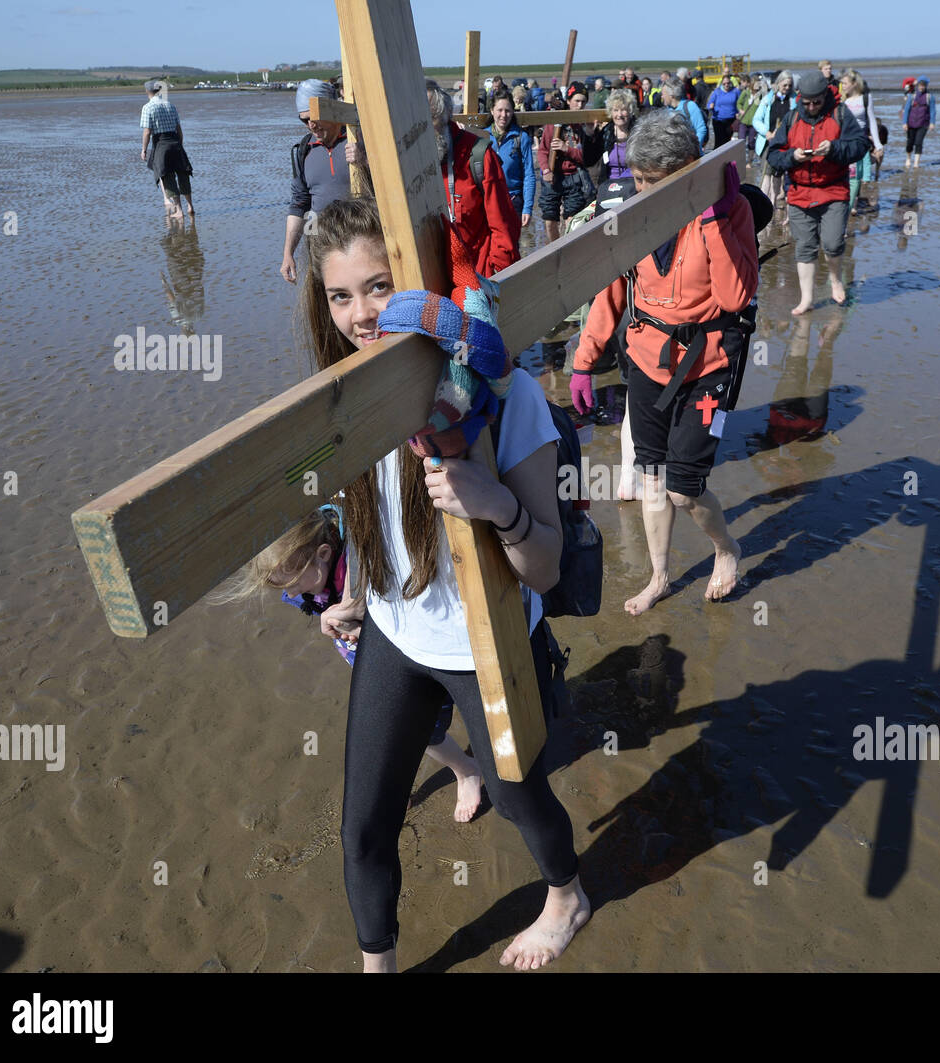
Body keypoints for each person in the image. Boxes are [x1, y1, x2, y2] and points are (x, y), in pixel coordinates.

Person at [300, 196, 586, 972]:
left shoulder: (505, 398)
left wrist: (495, 504)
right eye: (341, 294)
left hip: (484, 638)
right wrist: (353, 594)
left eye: (380, 286)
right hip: (395, 633)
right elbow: (372, 517)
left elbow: (547, 567)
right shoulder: (343, 400)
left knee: (522, 797)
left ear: (417, 284)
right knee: (362, 825)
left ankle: (567, 894)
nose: (364, 313)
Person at [570, 110, 758, 612]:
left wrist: (714, 215)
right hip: (647, 361)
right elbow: (610, 292)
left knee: (684, 488)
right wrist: (584, 361)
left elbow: (737, 296)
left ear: (684, 173)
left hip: (709, 368)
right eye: (637, 177)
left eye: (653, 181)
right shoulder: (633, 216)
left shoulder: (730, 210)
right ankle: (659, 576)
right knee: (651, 476)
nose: (642, 189)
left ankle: (726, 549)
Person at [228, 506, 486, 823]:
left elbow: (395, 609)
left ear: (323, 553)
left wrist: (360, 626)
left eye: (292, 584)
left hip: (416, 662)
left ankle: (467, 770)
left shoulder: (359, 567)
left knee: (427, 731)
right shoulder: (312, 581)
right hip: (374, 670)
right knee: (398, 729)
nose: (291, 594)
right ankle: (405, 777)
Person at [766, 70, 868, 312]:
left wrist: (833, 148)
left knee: (832, 243)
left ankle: (835, 281)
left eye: (817, 103)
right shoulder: (792, 118)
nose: (811, 107)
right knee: (805, 246)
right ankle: (807, 299)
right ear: (800, 98)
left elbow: (860, 145)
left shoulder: (840, 114)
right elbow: (773, 155)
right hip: (800, 193)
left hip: (833, 190)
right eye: (807, 102)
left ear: (825, 96)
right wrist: (793, 156)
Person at [424, 82, 519, 276]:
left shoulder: (478, 157)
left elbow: (503, 227)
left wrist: (497, 284)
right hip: (429, 283)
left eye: (428, 119)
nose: (421, 129)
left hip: (476, 278)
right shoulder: (409, 158)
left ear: (443, 116)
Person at [283, 79, 369, 284]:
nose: (310, 125)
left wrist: (365, 160)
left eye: (315, 118)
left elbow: (392, 184)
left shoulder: (359, 139)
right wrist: (288, 254)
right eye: (304, 120)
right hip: (319, 243)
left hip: (361, 242)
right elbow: (299, 204)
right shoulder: (303, 150)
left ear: (333, 110)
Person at [538, 86, 594, 243]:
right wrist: (545, 170)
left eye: (583, 102)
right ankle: (554, 250)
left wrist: (566, 149)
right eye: (576, 101)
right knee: (550, 221)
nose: (580, 105)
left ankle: (568, 249)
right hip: (553, 176)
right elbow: (542, 150)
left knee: (572, 221)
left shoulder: (584, 127)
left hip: (575, 177)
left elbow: (587, 158)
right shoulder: (554, 123)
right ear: (569, 101)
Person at [139, 80, 194, 220]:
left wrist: (144, 149)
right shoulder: (170, 105)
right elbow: (179, 129)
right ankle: (190, 207)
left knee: (167, 176)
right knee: (183, 174)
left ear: (147, 91)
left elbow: (147, 132)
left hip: (162, 144)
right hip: (175, 142)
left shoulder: (148, 107)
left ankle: (179, 210)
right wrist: (180, 144)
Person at [487, 92, 536, 228]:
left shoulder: (521, 137)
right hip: (487, 202)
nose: (504, 115)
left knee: (511, 246)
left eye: (508, 111)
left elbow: (529, 175)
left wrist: (527, 207)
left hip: (513, 202)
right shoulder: (482, 137)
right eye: (500, 110)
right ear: (492, 111)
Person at [838, 69, 883, 213]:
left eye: (845, 83)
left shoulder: (865, 98)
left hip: (859, 143)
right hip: (844, 143)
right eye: (842, 83)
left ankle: (849, 208)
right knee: (844, 178)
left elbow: (871, 120)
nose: (843, 86)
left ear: (854, 83)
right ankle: (842, 208)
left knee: (855, 178)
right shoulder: (841, 99)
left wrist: (877, 144)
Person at [752, 71, 796, 204]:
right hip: (768, 142)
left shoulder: (794, 100)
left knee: (778, 174)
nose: (787, 88)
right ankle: (764, 202)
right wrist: (767, 133)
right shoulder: (768, 99)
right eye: (785, 85)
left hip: (785, 143)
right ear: (778, 84)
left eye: (790, 85)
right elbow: (756, 120)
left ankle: (773, 202)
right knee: (767, 174)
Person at [597, 88, 638, 183]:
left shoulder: (638, 132)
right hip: (609, 186)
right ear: (611, 112)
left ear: (630, 111)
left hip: (632, 185)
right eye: (616, 110)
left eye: (623, 110)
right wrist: (589, 133)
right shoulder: (606, 132)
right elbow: (590, 160)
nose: (619, 114)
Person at [661, 78, 708, 151]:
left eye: (663, 94)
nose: (662, 97)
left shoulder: (690, 106)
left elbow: (701, 129)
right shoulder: (667, 110)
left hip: (692, 155)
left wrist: (694, 149)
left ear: (671, 95)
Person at [901, 76, 936, 168]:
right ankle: (908, 158)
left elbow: (932, 110)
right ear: (917, 85)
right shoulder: (911, 96)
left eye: (923, 85)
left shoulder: (930, 97)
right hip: (911, 123)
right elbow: (907, 109)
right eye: (920, 85)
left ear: (926, 86)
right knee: (910, 143)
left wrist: (932, 122)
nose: (921, 87)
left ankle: (916, 163)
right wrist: (904, 123)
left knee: (919, 142)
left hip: (923, 123)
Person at [707, 73, 742, 147]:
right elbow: (709, 104)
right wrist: (710, 106)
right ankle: (718, 158)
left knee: (728, 142)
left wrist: (739, 112)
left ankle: (728, 158)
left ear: (731, 83)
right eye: (724, 83)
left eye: (728, 83)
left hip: (731, 120)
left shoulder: (735, 91)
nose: (726, 85)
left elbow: (740, 103)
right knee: (719, 143)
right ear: (721, 84)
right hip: (718, 120)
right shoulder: (717, 92)